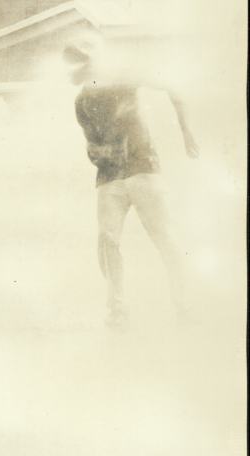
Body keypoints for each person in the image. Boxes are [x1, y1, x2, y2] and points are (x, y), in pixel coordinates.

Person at [64, 39, 199, 329]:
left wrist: (186, 130)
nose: (80, 70)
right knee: (107, 240)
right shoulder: (81, 101)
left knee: (164, 237)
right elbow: (91, 143)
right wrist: (100, 154)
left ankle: (185, 305)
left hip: (143, 169)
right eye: (74, 65)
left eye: (83, 62)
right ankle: (117, 310)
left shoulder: (122, 79)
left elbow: (172, 85)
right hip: (109, 178)